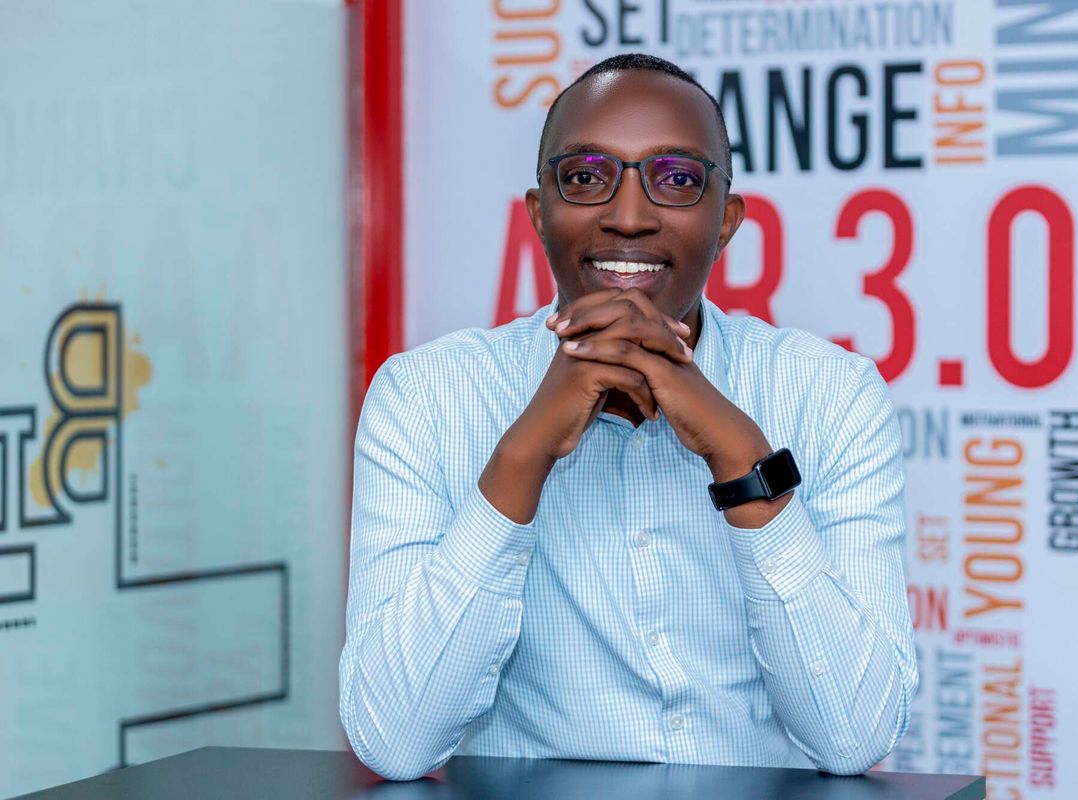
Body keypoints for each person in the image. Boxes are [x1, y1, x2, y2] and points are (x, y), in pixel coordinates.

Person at [339, 53, 917, 781]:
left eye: (677, 180)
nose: (630, 217)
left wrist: (740, 457)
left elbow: (855, 736)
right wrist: (523, 455)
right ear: (538, 213)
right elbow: (393, 743)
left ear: (726, 220)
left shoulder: (830, 392)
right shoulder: (425, 396)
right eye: (586, 176)